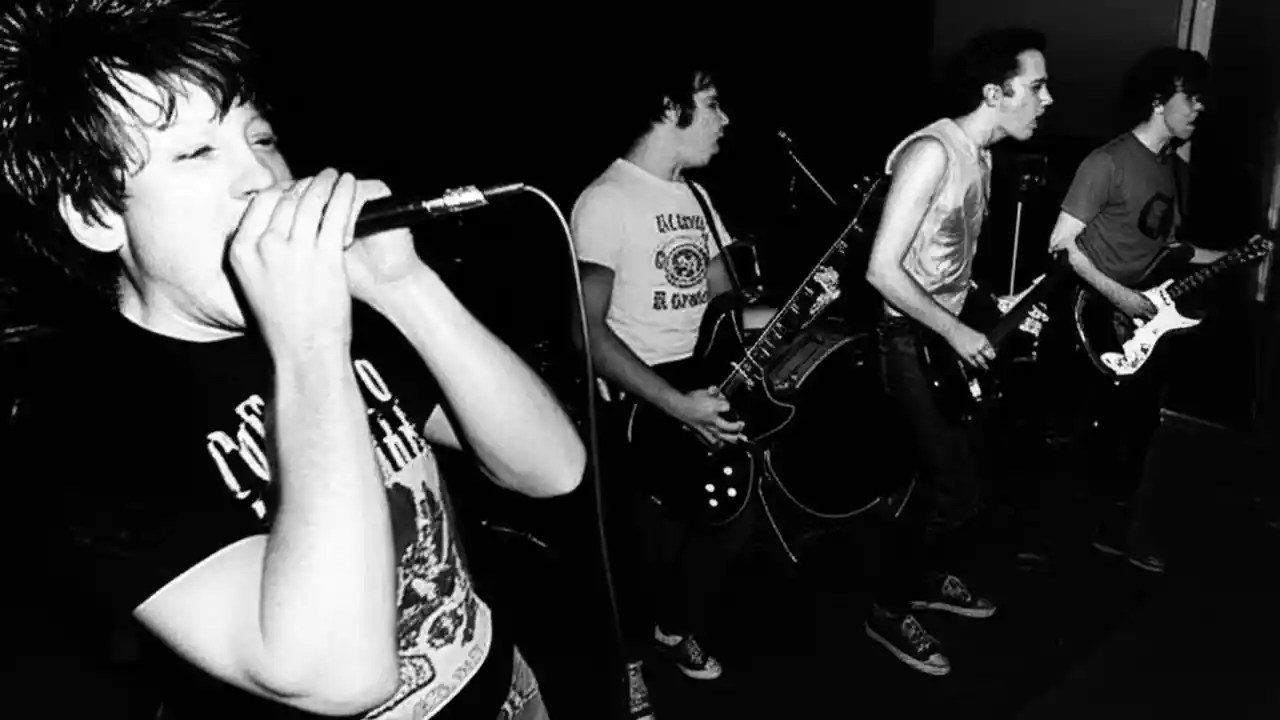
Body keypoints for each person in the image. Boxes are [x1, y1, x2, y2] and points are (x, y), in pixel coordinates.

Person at [0, 2, 585, 719]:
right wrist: (308, 345)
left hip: (507, 690)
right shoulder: (79, 435)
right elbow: (337, 674)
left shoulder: (339, 319)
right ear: (95, 214)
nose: (261, 177)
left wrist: (404, 287)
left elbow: (551, 468)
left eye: (262, 138)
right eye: (195, 152)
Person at [570, 59, 765, 719]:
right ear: (667, 106)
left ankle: (672, 629)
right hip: (640, 408)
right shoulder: (606, 200)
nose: (724, 118)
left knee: (726, 528)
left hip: (700, 390)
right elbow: (586, 333)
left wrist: (803, 305)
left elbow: (722, 312)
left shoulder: (696, 199)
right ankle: (627, 663)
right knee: (639, 553)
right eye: (711, 102)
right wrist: (674, 402)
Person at [863, 27, 1054, 675]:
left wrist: (993, 312)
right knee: (956, 486)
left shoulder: (984, 157)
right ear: (995, 93)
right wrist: (956, 332)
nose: (1048, 99)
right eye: (1035, 87)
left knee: (956, 474)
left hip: (941, 337)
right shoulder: (931, 154)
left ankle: (922, 579)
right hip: (907, 341)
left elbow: (947, 265)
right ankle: (887, 610)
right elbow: (883, 271)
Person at [1047, 47, 1219, 573]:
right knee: (1079, 434)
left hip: (1137, 326)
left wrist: (1233, 255)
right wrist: (1120, 297)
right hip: (1087, 317)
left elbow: (1170, 249)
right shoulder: (1108, 161)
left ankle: (1113, 536)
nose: (1199, 110)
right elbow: (1061, 245)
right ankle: (1053, 549)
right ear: (1159, 99)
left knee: (1137, 433)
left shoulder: (1175, 174)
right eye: (1191, 98)